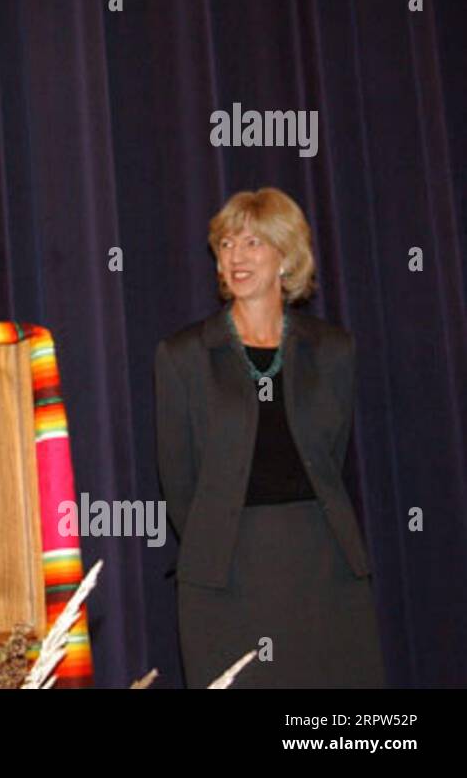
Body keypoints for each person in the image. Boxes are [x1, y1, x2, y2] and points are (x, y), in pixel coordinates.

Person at [154, 187, 384, 688]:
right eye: (228, 244)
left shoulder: (334, 350)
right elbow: (179, 479)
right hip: (227, 573)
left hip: (324, 565)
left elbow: (331, 456)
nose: (237, 256)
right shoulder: (183, 355)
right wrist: (218, 540)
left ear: (286, 257)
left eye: (254, 243)